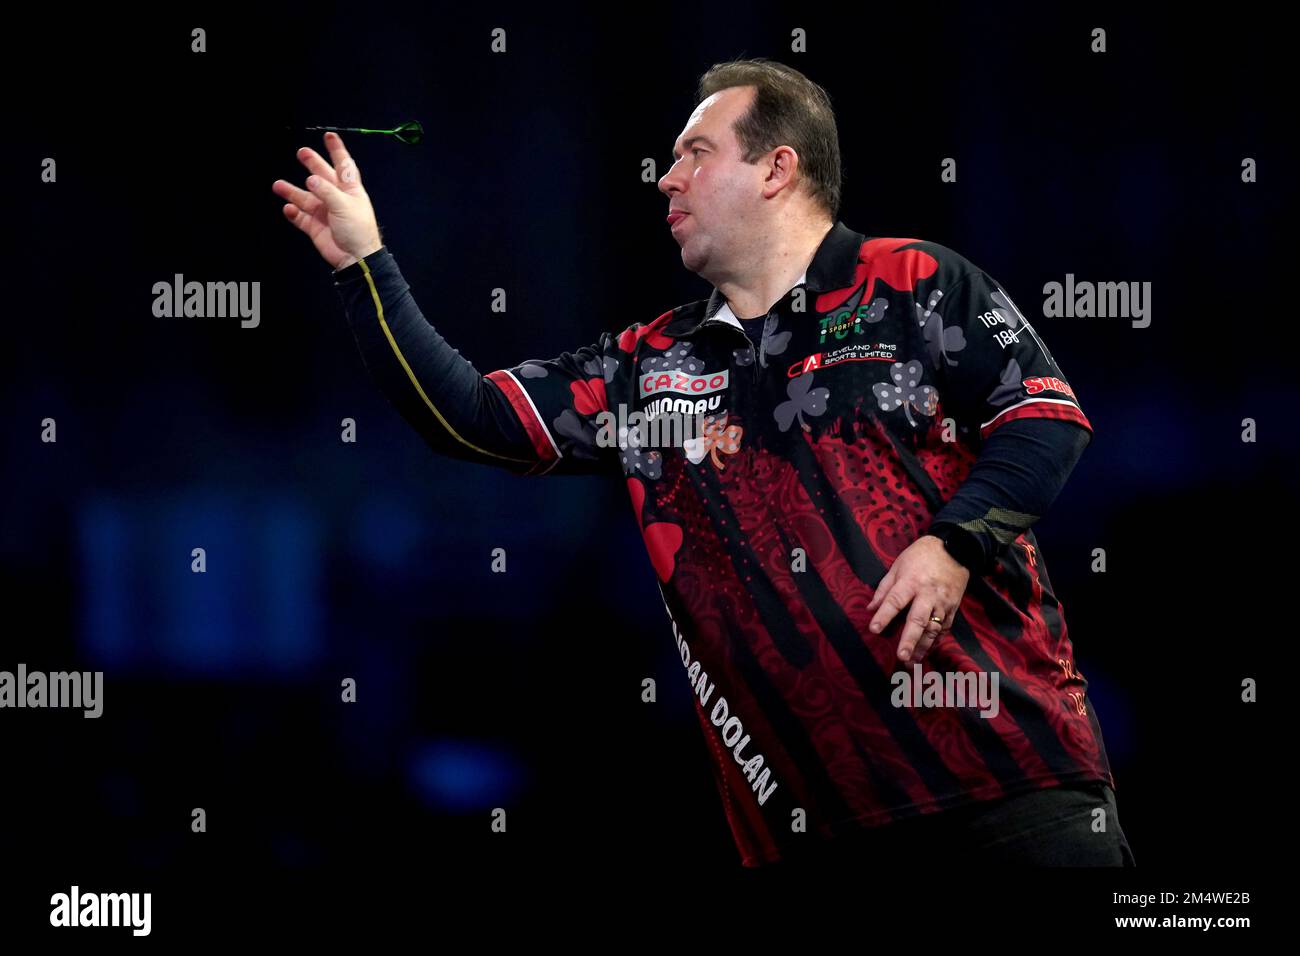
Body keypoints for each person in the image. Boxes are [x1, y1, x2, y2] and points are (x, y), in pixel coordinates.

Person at [271, 57, 1133, 868]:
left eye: (695, 153)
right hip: (809, 835)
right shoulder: (649, 365)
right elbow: (472, 420)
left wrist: (952, 545)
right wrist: (364, 267)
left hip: (1011, 790)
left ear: (776, 169)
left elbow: (1047, 420)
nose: (665, 177)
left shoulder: (914, 282)